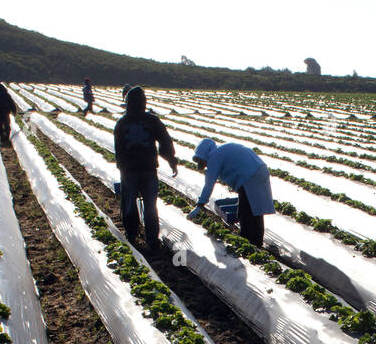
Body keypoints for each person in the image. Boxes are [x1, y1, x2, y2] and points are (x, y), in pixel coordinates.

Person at [113, 86, 178, 250]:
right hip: (148, 169)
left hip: (129, 171)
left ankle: (131, 235)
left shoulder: (122, 123)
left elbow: (119, 150)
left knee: (129, 203)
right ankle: (152, 240)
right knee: (150, 206)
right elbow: (165, 142)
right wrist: (171, 160)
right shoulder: (152, 120)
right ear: (144, 102)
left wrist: (122, 168)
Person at [189, 138, 274, 247]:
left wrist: (200, 204)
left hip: (251, 175)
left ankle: (249, 243)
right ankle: (255, 243)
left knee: (247, 212)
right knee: (253, 211)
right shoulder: (219, 151)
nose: (203, 164)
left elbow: (209, 183)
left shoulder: (214, 157)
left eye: (201, 161)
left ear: (205, 154)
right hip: (257, 170)